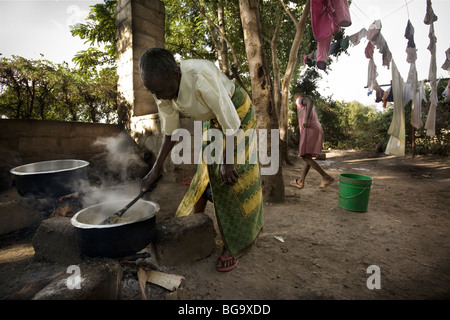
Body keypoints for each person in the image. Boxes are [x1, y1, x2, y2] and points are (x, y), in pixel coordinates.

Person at [138, 48, 263, 272]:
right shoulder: (161, 87)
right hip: (213, 117)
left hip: (237, 114)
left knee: (233, 177)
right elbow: (171, 133)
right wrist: (154, 171)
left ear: (175, 74)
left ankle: (235, 243)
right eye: (153, 91)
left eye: (161, 90)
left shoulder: (200, 77)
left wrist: (227, 161)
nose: (158, 97)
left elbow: (231, 122)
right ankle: (195, 224)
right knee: (205, 169)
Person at [290, 93, 335, 190]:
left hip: (309, 129)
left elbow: (310, 101)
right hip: (316, 129)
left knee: (305, 156)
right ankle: (301, 181)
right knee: (308, 157)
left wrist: (305, 119)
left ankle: (326, 177)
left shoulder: (299, 101)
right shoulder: (308, 108)